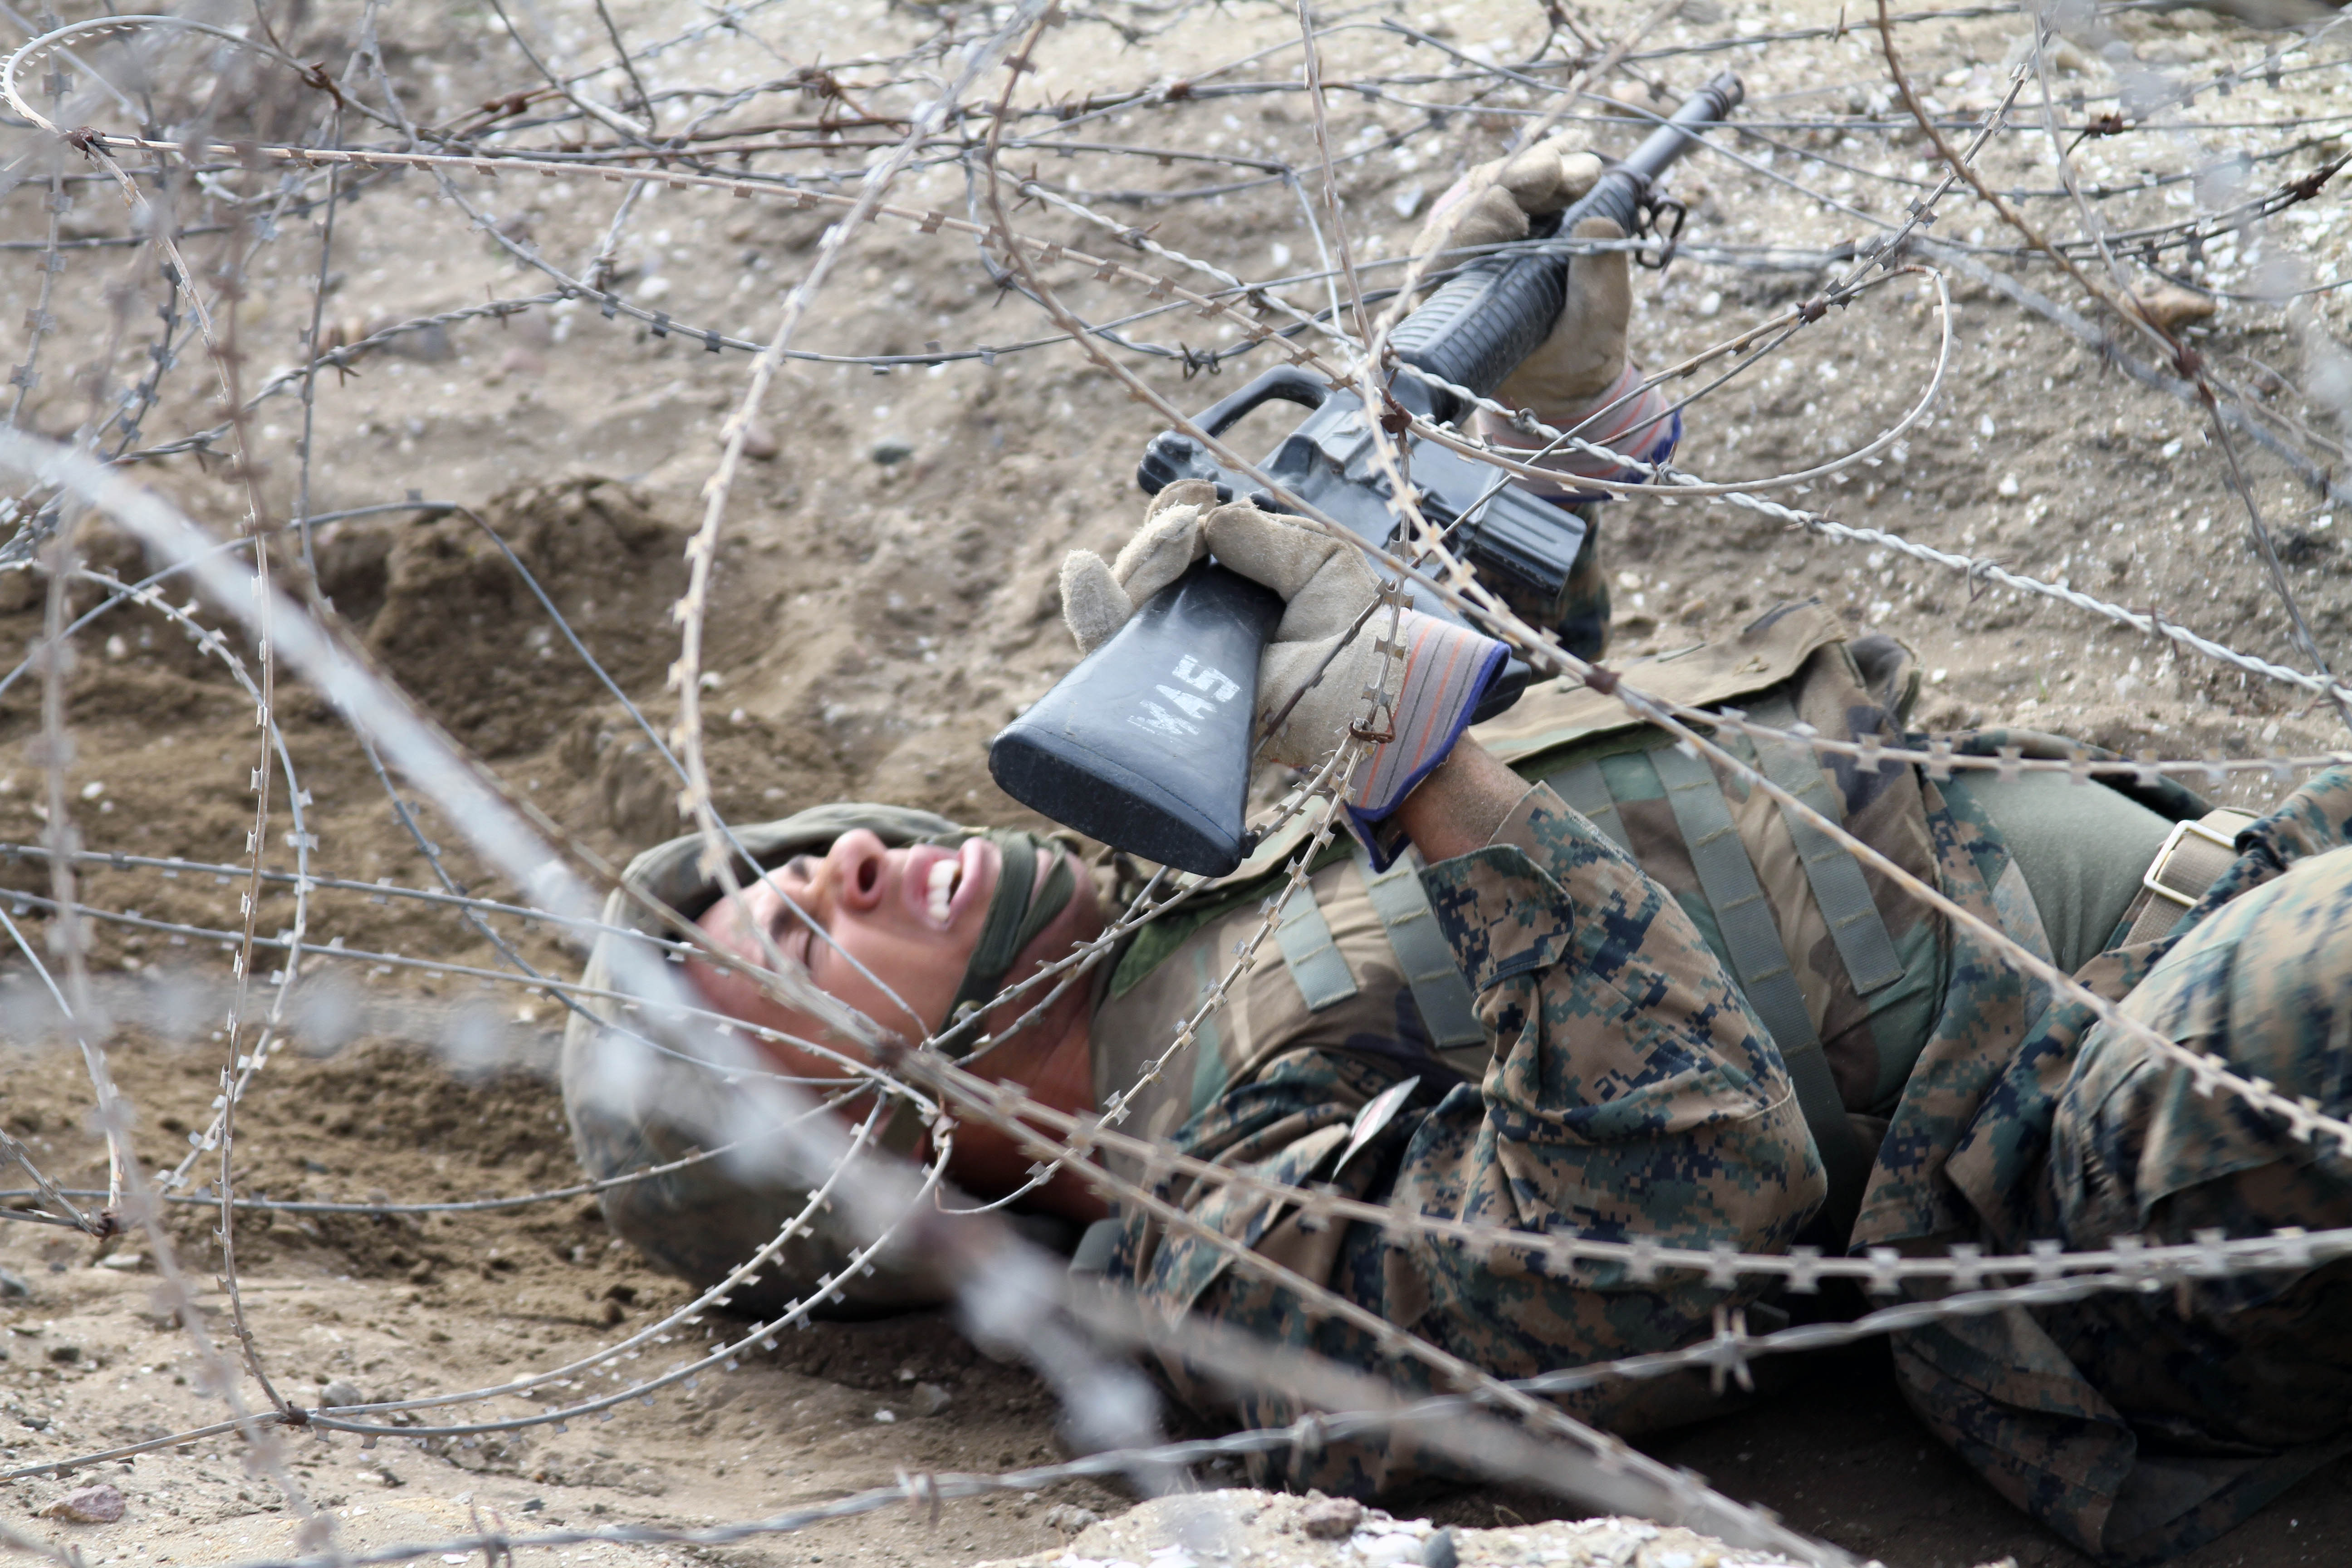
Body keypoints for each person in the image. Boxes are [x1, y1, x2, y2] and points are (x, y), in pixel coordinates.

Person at [560, 136, 2352, 1565]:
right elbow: (1687, 1187)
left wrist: (1523, 448)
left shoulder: (1236, 872)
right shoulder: (1210, 1286)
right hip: (2101, 1166)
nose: (857, 859)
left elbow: (1644, 814)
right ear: (884, 1155)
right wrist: (1412, 757)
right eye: (805, 940)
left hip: (2220, 875)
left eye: (812, 854)